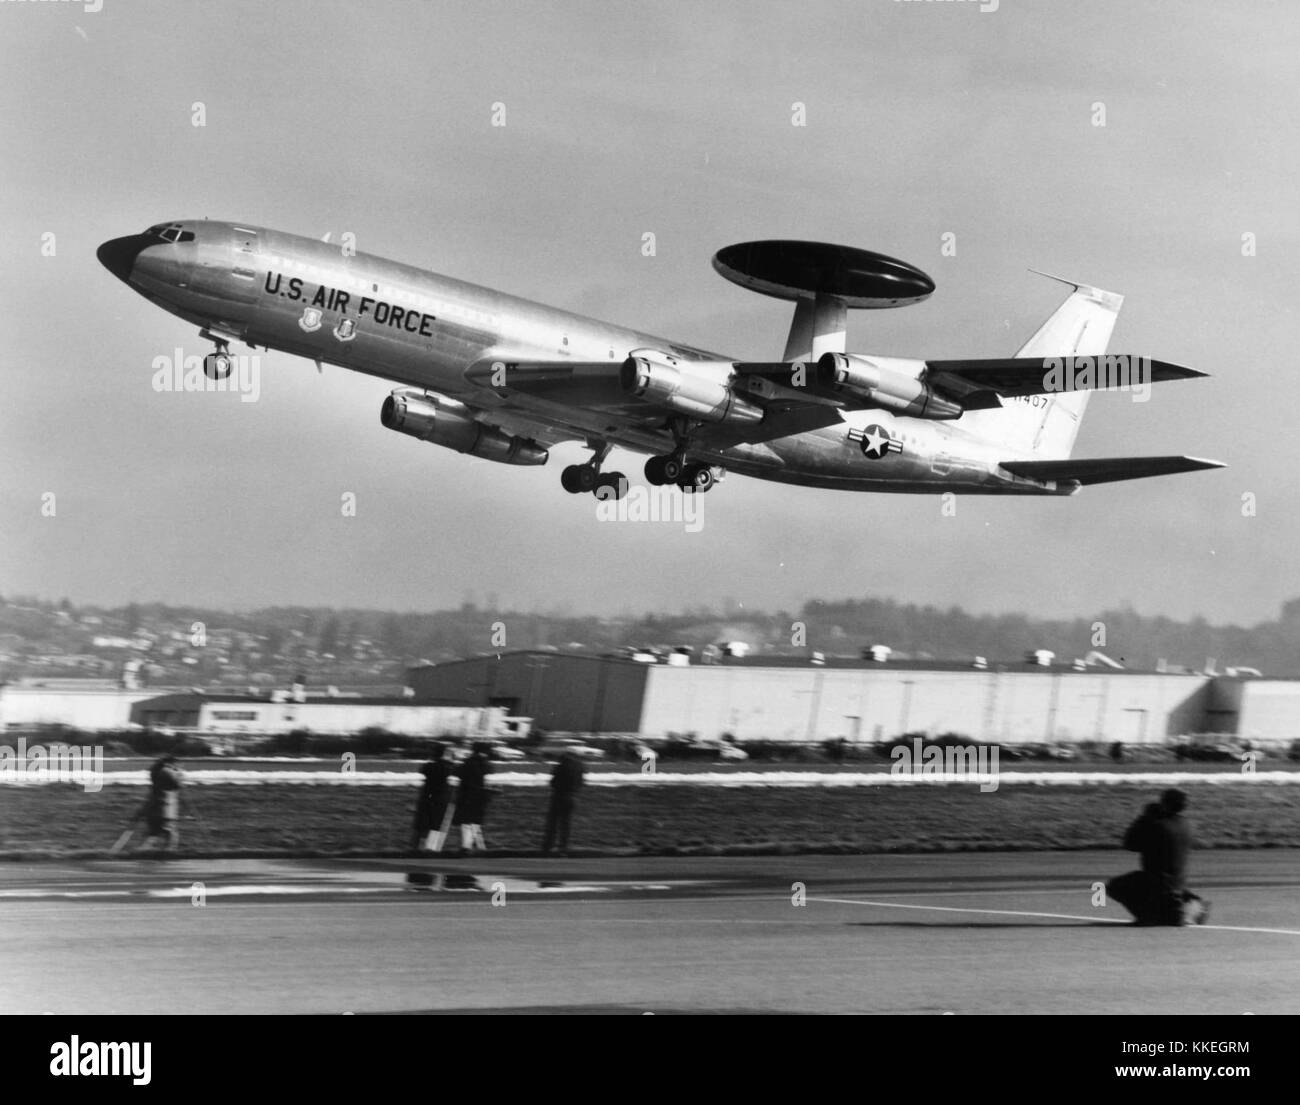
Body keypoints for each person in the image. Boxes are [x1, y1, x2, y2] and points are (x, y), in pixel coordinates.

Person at [1107, 789, 1209, 926]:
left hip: (1157, 882)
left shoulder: (1156, 824)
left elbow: (1129, 844)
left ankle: (1151, 915)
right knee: (1168, 887)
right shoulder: (1186, 825)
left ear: (1164, 803)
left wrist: (1143, 818)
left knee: (1114, 886)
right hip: (1178, 882)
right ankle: (1191, 904)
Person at [410, 743, 454, 854]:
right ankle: (430, 848)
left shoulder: (429, 766)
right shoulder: (446, 767)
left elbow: (423, 770)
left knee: (421, 825)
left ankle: (415, 847)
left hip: (426, 797)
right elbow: (452, 769)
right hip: (440, 799)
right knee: (435, 824)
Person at [542, 750, 585, 855]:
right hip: (572, 796)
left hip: (559, 796)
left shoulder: (561, 766)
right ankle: (563, 846)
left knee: (552, 823)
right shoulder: (580, 767)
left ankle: (548, 846)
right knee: (566, 823)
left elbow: (553, 782)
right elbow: (581, 782)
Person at [139, 754, 183, 852]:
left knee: (155, 829)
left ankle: (147, 848)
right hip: (166, 804)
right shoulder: (167, 771)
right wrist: (179, 773)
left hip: (155, 803)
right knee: (167, 828)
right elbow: (177, 784)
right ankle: (169, 849)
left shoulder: (156, 771)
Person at [453, 743, 493, 853]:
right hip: (481, 796)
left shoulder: (468, 762)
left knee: (465, 821)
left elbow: (457, 772)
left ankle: (466, 845)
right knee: (476, 821)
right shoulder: (486, 764)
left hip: (466, 795)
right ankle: (479, 846)